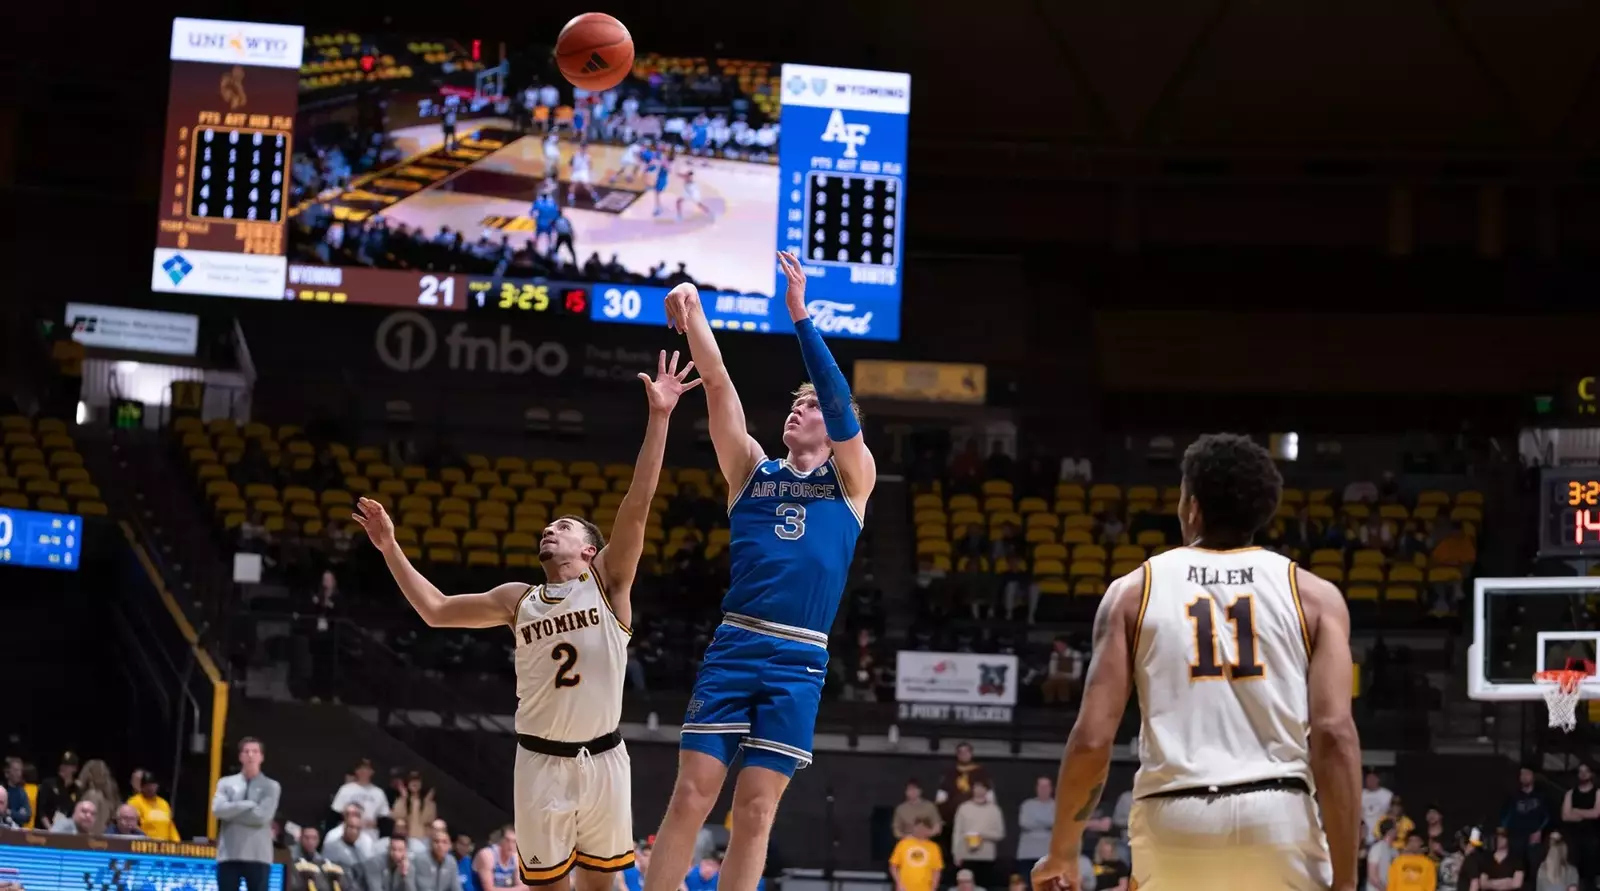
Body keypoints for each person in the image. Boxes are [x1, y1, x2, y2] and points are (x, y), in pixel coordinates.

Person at [356, 352, 699, 889]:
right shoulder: (517, 599)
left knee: (600, 886)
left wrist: (660, 417)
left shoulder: (608, 583)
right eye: (547, 527)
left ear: (589, 550)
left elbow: (639, 499)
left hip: (604, 759)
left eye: (563, 527)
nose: (549, 530)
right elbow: (436, 610)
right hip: (539, 761)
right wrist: (390, 548)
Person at [1030, 434, 1361, 891]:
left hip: (1173, 816)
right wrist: (1346, 879)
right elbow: (1335, 735)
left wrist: (1063, 851)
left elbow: (1092, 739)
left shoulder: (1132, 593)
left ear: (1192, 508)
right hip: (1278, 813)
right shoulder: (1316, 597)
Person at [644, 252, 876, 891]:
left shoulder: (852, 480)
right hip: (737, 642)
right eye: (795, 405)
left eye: (810, 407)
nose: (798, 410)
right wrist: (694, 310)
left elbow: (840, 402)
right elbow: (719, 384)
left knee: (755, 811)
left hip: (800, 657)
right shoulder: (750, 469)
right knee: (692, 795)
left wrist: (800, 314)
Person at [215, 737, 282, 891]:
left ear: (262, 757)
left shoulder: (271, 786)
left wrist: (231, 811)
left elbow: (261, 817)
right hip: (229, 854)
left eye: (255, 751)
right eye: (246, 751)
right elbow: (218, 810)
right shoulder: (225, 783)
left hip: (258, 855)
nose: (250, 755)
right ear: (240, 756)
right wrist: (247, 804)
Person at [889, 819, 945, 891]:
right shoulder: (903, 844)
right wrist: (899, 883)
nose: (920, 830)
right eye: (918, 827)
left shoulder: (934, 848)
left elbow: (937, 870)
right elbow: (893, 866)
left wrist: (933, 888)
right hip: (904, 888)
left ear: (929, 830)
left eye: (923, 828)